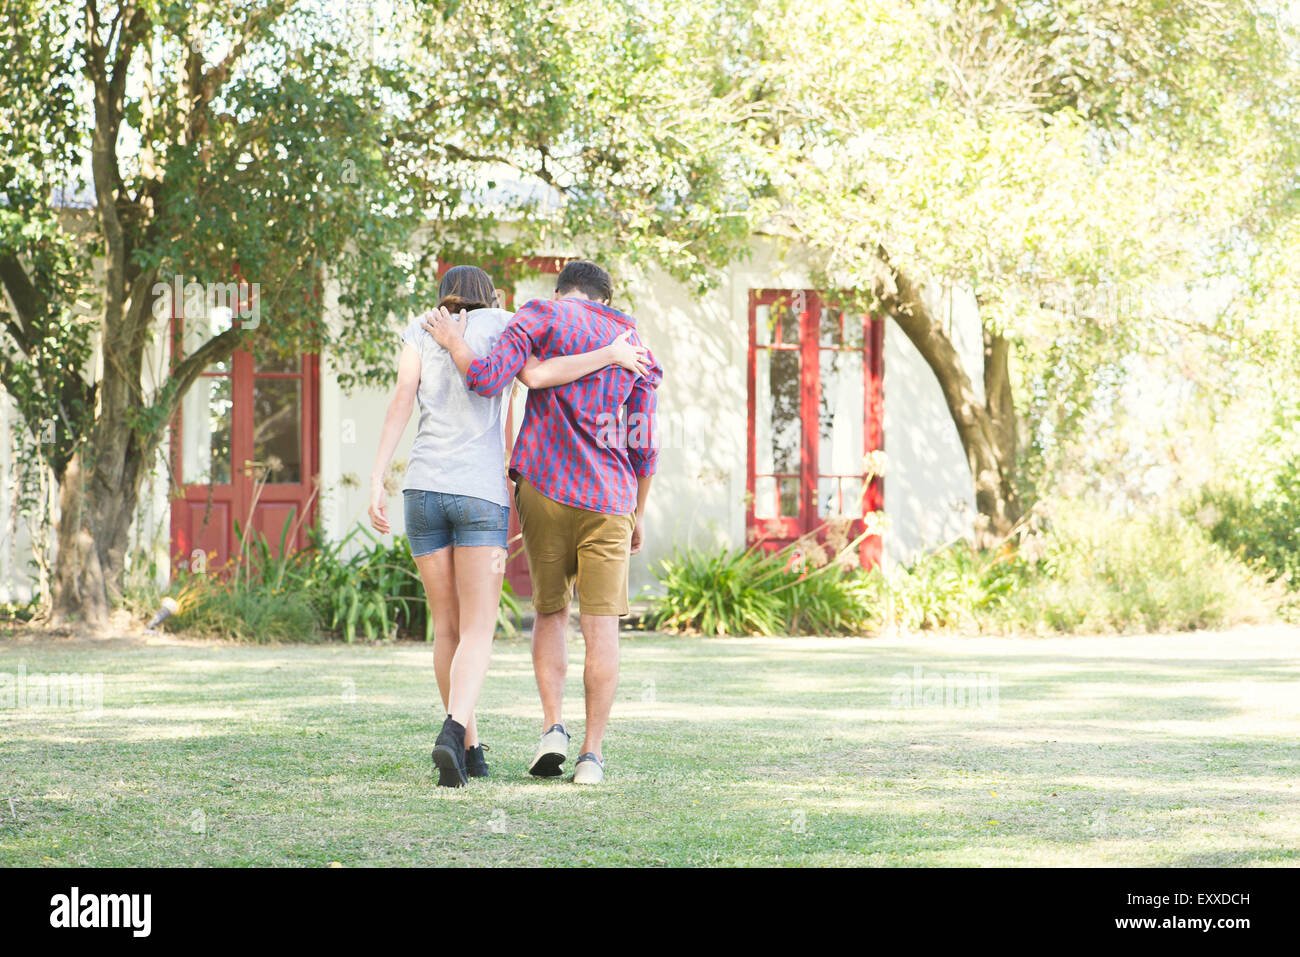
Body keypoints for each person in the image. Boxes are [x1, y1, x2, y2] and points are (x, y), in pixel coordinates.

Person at [368, 264, 649, 787]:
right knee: (479, 629)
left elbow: (400, 403)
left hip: (423, 491)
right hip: (483, 497)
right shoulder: (508, 322)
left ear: (443, 296)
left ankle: (472, 747)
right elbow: (539, 378)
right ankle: (457, 732)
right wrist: (611, 353)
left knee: (448, 627)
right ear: (492, 297)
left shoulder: (420, 327)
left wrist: (376, 477)